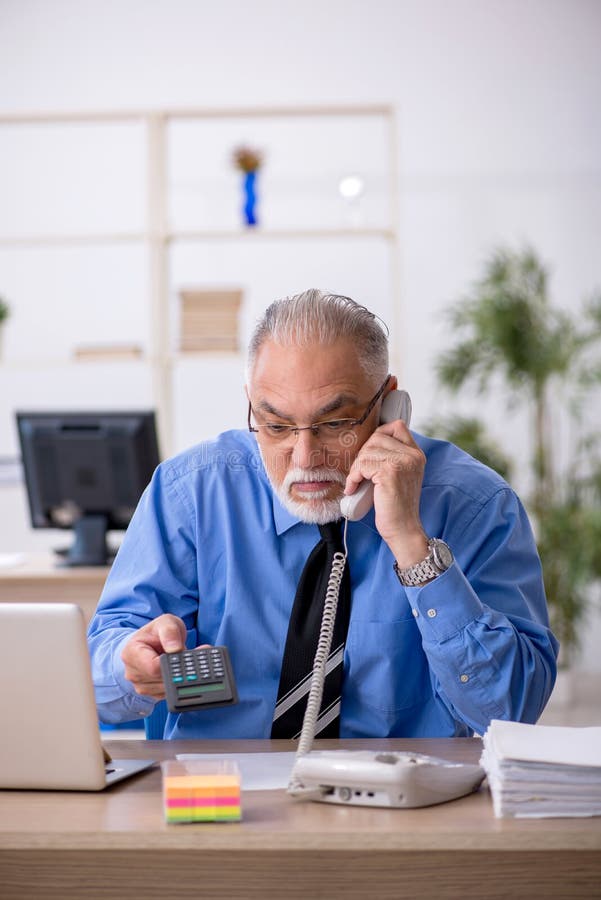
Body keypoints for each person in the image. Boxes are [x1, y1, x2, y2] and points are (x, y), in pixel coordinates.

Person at [88, 288, 558, 739]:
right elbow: (96, 677)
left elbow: (508, 711)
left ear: (390, 402)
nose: (304, 456)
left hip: (402, 799)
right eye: (276, 426)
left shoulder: (474, 505)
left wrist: (413, 548)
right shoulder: (190, 494)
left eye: (334, 424)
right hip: (219, 795)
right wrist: (130, 663)